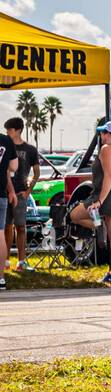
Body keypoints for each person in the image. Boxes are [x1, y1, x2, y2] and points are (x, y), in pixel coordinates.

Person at [69, 120, 111, 286]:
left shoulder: (107, 149)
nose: (100, 135)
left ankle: (99, 226)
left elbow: (110, 176)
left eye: (102, 132)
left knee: (74, 215)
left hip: (109, 196)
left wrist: (99, 201)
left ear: (108, 134)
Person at [5, 118, 40, 271]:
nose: (7, 133)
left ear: (18, 130)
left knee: (21, 227)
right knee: (6, 227)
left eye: (10, 130)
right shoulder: (5, 146)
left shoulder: (30, 149)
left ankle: (21, 261)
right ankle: (5, 260)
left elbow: (37, 173)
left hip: (21, 194)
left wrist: (28, 191)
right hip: (5, 193)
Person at [0, 118, 16, 290]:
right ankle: (1, 279)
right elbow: (13, 167)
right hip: (0, 193)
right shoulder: (6, 141)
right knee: (0, 236)